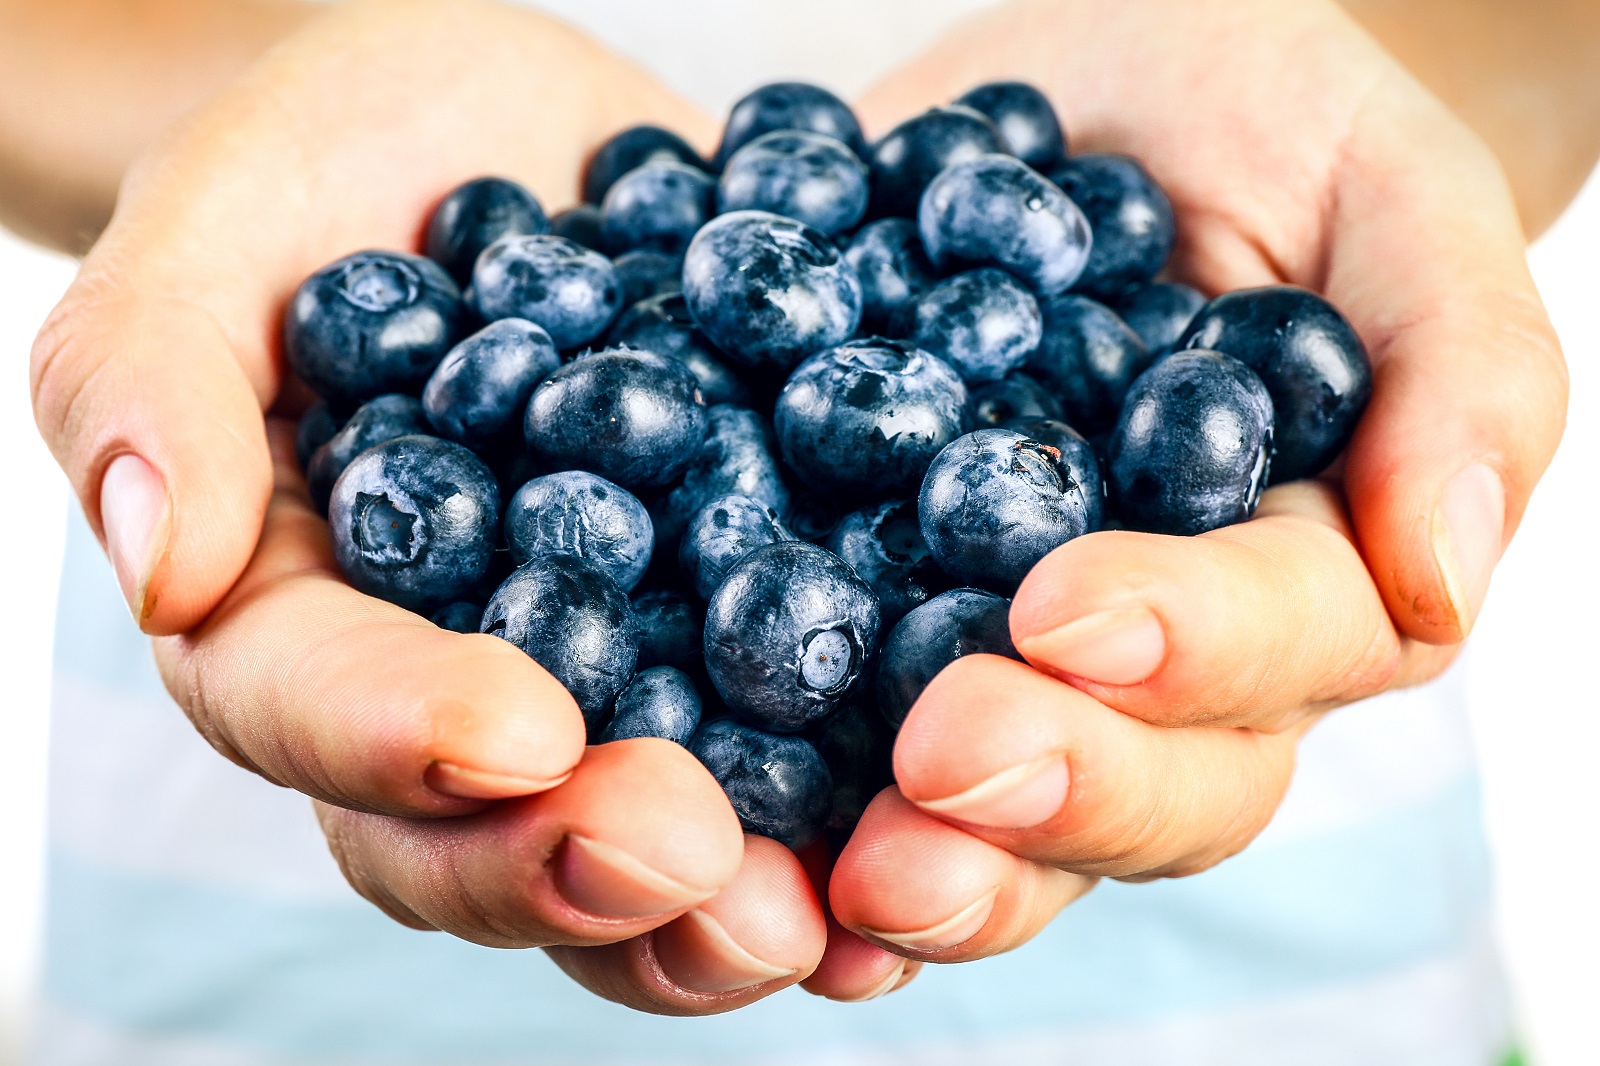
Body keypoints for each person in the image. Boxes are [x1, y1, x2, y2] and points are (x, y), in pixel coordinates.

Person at [3, 0, 1593, 1061]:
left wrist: (1384, 89)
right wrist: (211, 106)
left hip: (1298, 981)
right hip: (247, 974)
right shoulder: (518, 418)